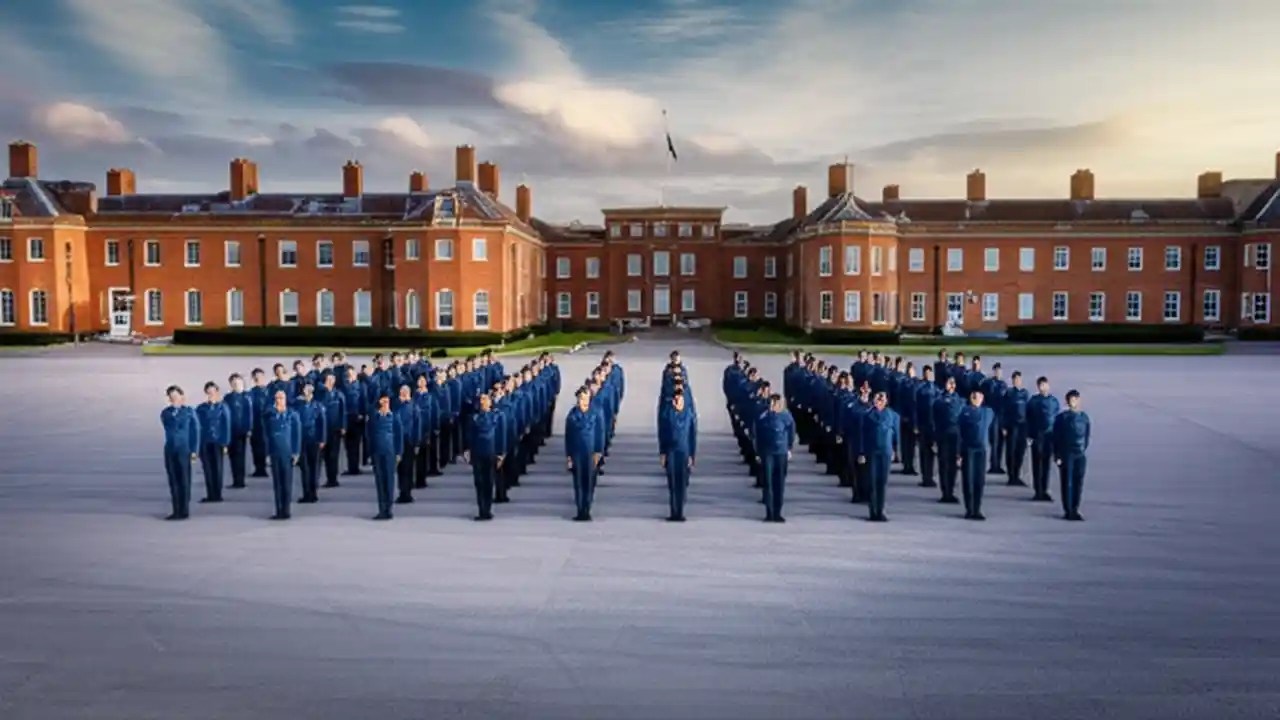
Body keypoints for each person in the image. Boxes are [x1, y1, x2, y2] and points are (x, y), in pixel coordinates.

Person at [753, 393, 795, 523]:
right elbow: (756, 435)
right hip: (767, 452)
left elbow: (791, 432)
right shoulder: (763, 417)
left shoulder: (786, 416)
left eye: (775, 403)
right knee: (769, 483)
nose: (773, 406)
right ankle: (769, 512)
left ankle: (778, 512)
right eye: (771, 403)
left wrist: (789, 448)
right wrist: (758, 452)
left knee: (779, 483)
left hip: (781, 452)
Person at [858, 391, 899, 522]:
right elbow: (862, 435)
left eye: (882, 399)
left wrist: (896, 451)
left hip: (885, 451)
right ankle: (873, 511)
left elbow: (896, 435)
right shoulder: (867, 415)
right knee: (873, 482)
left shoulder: (892, 415)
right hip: (872, 451)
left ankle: (881, 510)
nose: (879, 401)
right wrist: (861, 452)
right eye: (877, 399)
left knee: (883, 482)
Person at [160, 386, 200, 520]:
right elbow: (167, 424)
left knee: (184, 479)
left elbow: (196, 431)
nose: (174, 399)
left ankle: (184, 509)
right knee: (173, 480)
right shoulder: (166, 413)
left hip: (184, 449)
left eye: (176, 396)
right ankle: (176, 509)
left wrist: (194, 450)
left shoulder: (189, 412)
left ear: (182, 397)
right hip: (170, 449)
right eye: (171, 397)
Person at [658, 390, 697, 522]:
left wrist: (692, 455)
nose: (677, 403)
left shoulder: (688, 415)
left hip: (684, 451)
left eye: (680, 400)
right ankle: (674, 511)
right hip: (671, 451)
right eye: (676, 400)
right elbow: (662, 435)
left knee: (682, 482)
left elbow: (692, 436)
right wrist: (662, 453)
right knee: (672, 482)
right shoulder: (667, 415)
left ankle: (680, 511)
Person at [1053, 390, 1091, 521]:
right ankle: (1068, 510)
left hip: (1079, 454)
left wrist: (1082, 449)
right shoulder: (1062, 418)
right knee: (1067, 482)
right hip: (1066, 453)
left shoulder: (1084, 417)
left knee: (1078, 482)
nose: (1073, 402)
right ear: (1067, 401)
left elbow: (1086, 436)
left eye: (1075, 399)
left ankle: (1075, 508)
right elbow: (1056, 437)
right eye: (1071, 399)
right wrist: (1057, 455)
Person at [465, 393, 504, 521]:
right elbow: (469, 435)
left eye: (486, 399)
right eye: (481, 399)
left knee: (489, 481)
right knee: (479, 482)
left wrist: (501, 453)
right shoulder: (474, 418)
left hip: (491, 453)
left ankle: (487, 508)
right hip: (477, 453)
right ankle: (482, 509)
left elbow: (500, 436)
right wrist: (467, 450)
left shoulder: (497, 416)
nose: (483, 402)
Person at [264, 390, 301, 520]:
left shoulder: (292, 415)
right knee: (277, 483)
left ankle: (286, 510)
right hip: (275, 452)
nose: (279, 400)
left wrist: (296, 452)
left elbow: (297, 435)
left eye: (281, 398)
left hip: (287, 453)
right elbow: (267, 436)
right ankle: (278, 509)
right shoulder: (270, 415)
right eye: (277, 398)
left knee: (287, 483)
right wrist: (267, 453)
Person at [364, 394, 403, 520]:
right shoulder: (374, 417)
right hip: (377, 451)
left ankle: (389, 509)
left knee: (389, 480)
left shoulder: (395, 417)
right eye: (383, 401)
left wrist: (399, 452)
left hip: (390, 452)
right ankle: (382, 509)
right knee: (380, 481)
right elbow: (368, 434)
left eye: (387, 401)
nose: (385, 403)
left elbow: (399, 436)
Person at [564, 387, 600, 522]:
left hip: (590, 453)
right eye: (581, 398)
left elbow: (599, 434)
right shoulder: (572, 416)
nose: (583, 401)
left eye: (586, 398)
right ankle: (580, 510)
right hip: (577, 453)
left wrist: (598, 451)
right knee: (578, 483)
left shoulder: (595, 414)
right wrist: (568, 456)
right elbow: (568, 437)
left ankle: (587, 508)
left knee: (589, 482)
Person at [958, 390, 995, 520]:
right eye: (974, 396)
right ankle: (969, 508)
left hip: (981, 449)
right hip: (968, 449)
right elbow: (960, 432)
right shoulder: (964, 412)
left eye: (978, 396)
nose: (976, 398)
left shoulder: (988, 412)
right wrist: (959, 453)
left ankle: (977, 508)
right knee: (968, 479)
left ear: (982, 397)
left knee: (979, 480)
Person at [195, 381, 231, 503]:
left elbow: (226, 426)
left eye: (213, 392)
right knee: (208, 468)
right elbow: (196, 427)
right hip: (205, 441)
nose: (211, 394)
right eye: (209, 392)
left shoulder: (222, 407)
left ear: (217, 392)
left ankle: (217, 494)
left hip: (218, 441)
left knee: (218, 468)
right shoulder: (201, 408)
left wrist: (225, 442)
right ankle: (210, 493)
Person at [1027, 376, 1061, 503]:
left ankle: (1045, 489)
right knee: (1037, 463)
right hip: (1037, 435)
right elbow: (1028, 418)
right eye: (1040, 385)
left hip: (1049, 436)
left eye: (1044, 385)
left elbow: (1057, 419)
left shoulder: (1054, 401)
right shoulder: (1033, 401)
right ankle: (1038, 490)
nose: (1043, 387)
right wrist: (1029, 435)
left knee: (1046, 464)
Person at [932, 376, 964, 504]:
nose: (951, 385)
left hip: (956, 436)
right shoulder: (939, 400)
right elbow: (934, 419)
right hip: (943, 435)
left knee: (953, 465)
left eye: (952, 383)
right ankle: (945, 492)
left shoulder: (960, 400)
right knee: (943, 464)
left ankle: (951, 491)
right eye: (948, 382)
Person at [293, 383, 326, 504]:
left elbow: (322, 423)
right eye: (305, 390)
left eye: (309, 390)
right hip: (302, 439)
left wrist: (322, 439)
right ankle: (307, 493)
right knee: (305, 468)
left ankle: (314, 493)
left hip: (314, 439)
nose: (307, 393)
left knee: (314, 467)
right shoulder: (297, 405)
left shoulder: (317, 406)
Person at [1001, 371, 1031, 487]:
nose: (1017, 381)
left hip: (1022, 425)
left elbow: (1028, 411)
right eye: (1015, 379)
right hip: (1011, 425)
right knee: (1011, 451)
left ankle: (1017, 475)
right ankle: (1011, 476)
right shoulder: (1008, 393)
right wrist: (1003, 426)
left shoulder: (1025, 393)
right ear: (1012, 381)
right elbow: (1003, 410)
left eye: (1018, 379)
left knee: (1020, 451)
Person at [318, 372, 347, 488]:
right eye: (328, 379)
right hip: (323, 428)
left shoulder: (338, 395)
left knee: (333, 455)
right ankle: (325, 477)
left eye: (332, 379)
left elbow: (343, 411)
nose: (330, 381)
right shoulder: (320, 394)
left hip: (335, 428)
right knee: (324, 455)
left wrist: (343, 426)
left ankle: (333, 479)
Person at [224, 373, 253, 489]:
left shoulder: (246, 398)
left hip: (241, 430)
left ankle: (240, 480)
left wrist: (249, 428)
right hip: (231, 431)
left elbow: (249, 415)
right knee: (232, 456)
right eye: (234, 383)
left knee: (240, 455)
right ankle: (236, 479)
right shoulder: (228, 398)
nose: (236, 385)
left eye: (238, 383)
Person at [394, 385, 420, 505]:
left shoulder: (413, 406)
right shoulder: (396, 405)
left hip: (409, 440)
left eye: (406, 392)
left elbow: (417, 425)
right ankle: (402, 492)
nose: (403, 394)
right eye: (402, 392)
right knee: (400, 467)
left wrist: (417, 442)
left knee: (408, 467)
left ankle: (407, 492)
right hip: (398, 440)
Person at [914, 366, 940, 488]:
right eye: (926, 373)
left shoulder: (937, 389)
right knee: (924, 452)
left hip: (934, 425)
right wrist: (916, 425)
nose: (928, 376)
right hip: (923, 424)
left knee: (932, 452)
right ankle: (925, 477)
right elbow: (915, 408)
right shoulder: (920, 389)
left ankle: (930, 476)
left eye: (930, 373)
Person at [412, 374, 438, 489]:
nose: (421, 382)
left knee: (423, 455)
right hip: (415, 428)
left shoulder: (430, 397)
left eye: (423, 380)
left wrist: (434, 428)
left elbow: (434, 413)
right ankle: (415, 478)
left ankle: (421, 479)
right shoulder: (414, 396)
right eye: (419, 380)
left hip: (426, 428)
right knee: (415, 457)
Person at [981, 362, 1008, 474]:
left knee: (1001, 440)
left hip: (1001, 414)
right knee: (994, 440)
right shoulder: (988, 383)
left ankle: (998, 464)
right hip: (991, 413)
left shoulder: (1003, 385)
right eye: (996, 371)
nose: (998, 373)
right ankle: (993, 464)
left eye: (999, 371)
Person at [339, 366, 366, 476]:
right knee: (348, 445)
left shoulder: (360, 386)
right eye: (347, 375)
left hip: (356, 418)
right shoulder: (343, 387)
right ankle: (351, 467)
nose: (349, 377)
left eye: (351, 374)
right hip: (346, 418)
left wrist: (362, 413)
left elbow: (364, 400)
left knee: (355, 444)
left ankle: (355, 467)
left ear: (355, 375)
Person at [248, 368, 271, 478]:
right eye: (256, 377)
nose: (258, 379)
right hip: (255, 422)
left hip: (265, 422)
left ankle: (263, 467)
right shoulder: (251, 393)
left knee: (264, 445)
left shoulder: (268, 392)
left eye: (260, 377)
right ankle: (258, 467)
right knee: (255, 445)